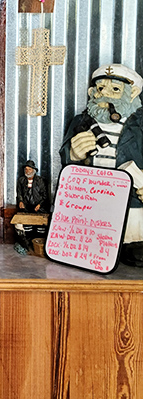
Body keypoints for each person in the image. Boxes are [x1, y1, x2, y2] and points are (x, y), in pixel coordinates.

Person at [60, 63, 143, 265]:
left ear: (132, 93)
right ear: (92, 92)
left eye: (115, 89)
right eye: (100, 88)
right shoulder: (82, 121)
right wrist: (74, 154)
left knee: (133, 245)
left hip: (132, 203)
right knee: (92, 242)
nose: (105, 94)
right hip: (92, 200)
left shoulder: (140, 125)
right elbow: (65, 157)